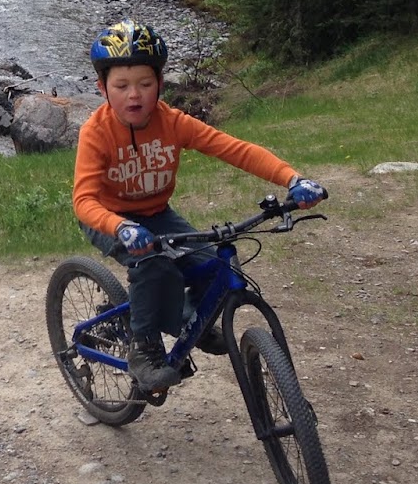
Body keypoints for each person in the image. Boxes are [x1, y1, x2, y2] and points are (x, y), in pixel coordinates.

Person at [72, 19, 326, 391]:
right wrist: (121, 227)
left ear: (159, 83)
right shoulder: (96, 133)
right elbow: (84, 200)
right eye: (121, 86)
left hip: (157, 214)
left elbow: (235, 149)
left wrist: (292, 179)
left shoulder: (172, 123)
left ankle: (197, 323)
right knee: (154, 266)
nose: (134, 95)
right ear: (102, 88)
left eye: (145, 84)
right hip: (108, 218)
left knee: (213, 265)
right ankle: (143, 350)